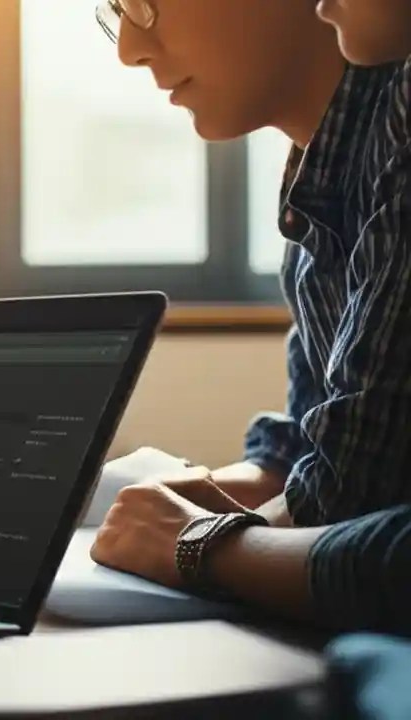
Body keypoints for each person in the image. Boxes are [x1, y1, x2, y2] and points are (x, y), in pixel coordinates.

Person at [89, 0, 411, 635]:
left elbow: (350, 496)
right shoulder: (320, 176)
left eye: (144, 6)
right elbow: (313, 447)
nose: (128, 48)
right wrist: (184, 497)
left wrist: (192, 539)